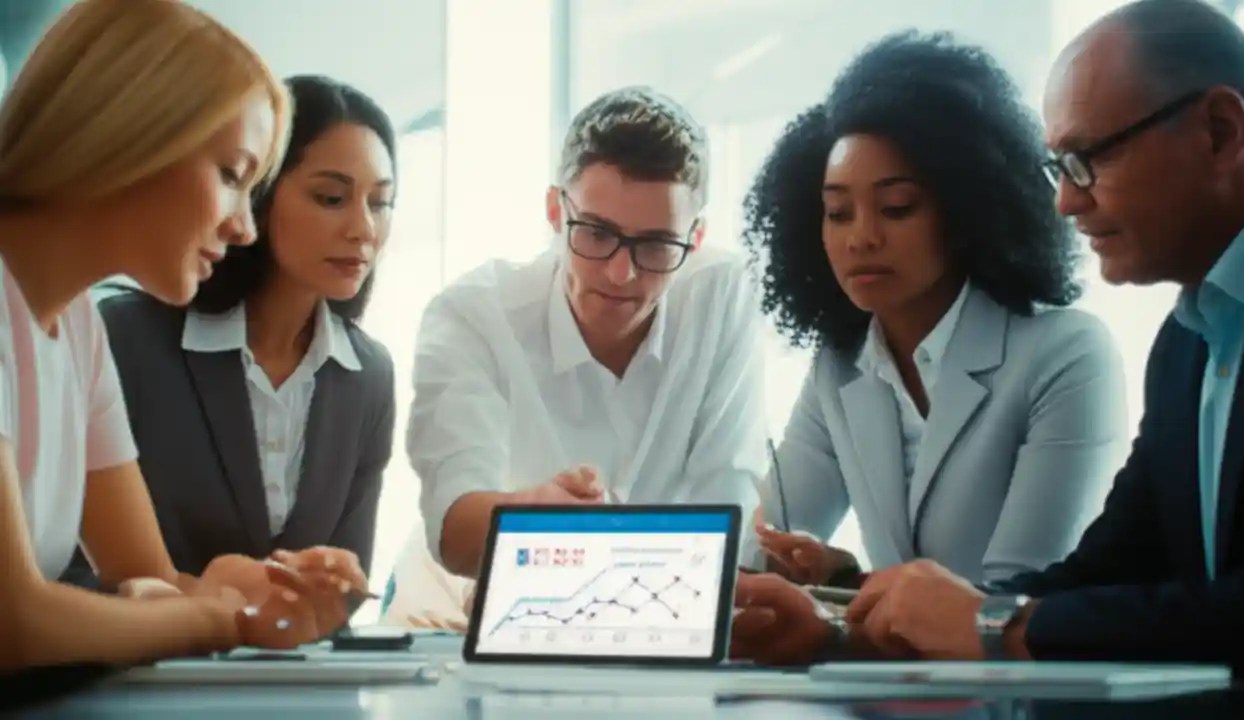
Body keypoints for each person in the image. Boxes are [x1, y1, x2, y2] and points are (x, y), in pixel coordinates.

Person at [732, 0, 1244, 678]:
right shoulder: (1188, 344)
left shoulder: (1085, 350)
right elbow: (1103, 581)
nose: (1066, 202)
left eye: (1086, 161)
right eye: (1059, 169)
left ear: (1220, 132)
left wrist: (990, 623)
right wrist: (838, 627)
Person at [0, 0, 363, 671]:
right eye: (232, 176)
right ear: (128, 134)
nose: (243, 229)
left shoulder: (78, 328)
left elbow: (149, 577)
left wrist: (248, 591)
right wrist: (218, 616)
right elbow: (13, 622)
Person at [740, 32, 1127, 588]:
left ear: (966, 207)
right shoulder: (840, 366)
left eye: (897, 208)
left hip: (1024, 672)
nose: (862, 238)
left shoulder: (1065, 354)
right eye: (837, 212)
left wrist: (850, 591)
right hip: (902, 673)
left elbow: (1016, 598)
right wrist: (807, 569)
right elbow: (766, 546)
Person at [386, 86, 767, 621]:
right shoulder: (474, 315)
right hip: (458, 616)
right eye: (596, 233)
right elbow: (452, 527)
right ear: (554, 211)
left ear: (696, 237)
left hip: (655, 617)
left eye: (656, 246)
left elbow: (728, 506)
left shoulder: (720, 297)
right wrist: (532, 516)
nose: (621, 273)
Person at [62, 75, 396, 591]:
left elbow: (346, 588)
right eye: (331, 197)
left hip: (283, 668)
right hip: (125, 661)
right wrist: (215, 601)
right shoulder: (123, 338)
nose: (364, 229)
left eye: (379, 202)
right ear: (258, 193)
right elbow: (63, 569)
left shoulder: (369, 376)